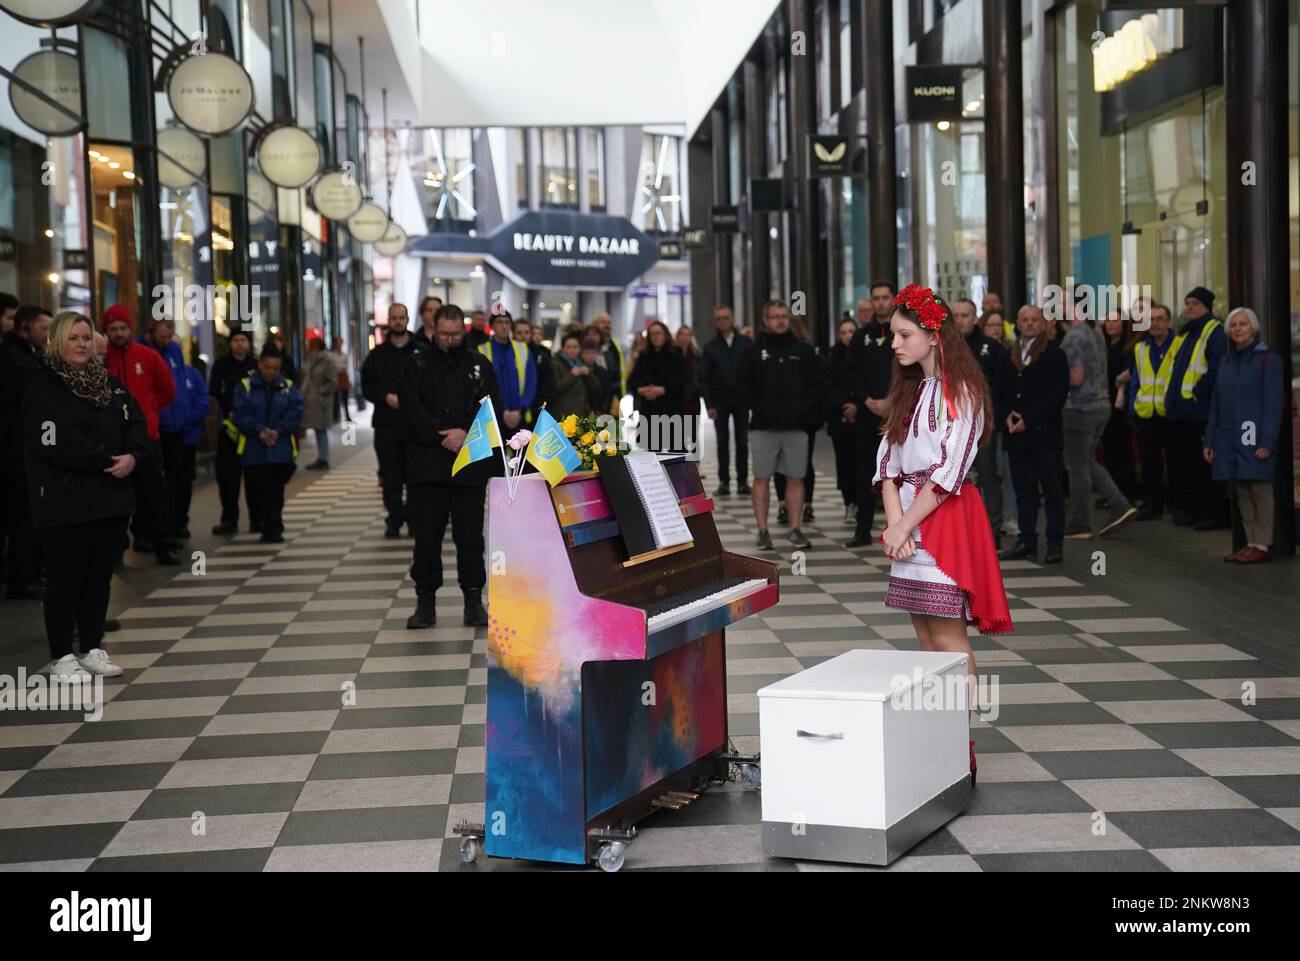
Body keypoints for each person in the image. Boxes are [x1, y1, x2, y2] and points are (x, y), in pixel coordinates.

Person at [873, 285, 1012, 782]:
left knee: (950, 639)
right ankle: (940, 736)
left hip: (944, 517)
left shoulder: (963, 391)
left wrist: (904, 525)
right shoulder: (911, 391)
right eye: (893, 335)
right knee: (926, 636)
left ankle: (960, 744)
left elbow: (950, 471)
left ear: (934, 336)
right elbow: (887, 462)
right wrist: (895, 525)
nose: (895, 344)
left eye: (904, 334)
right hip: (907, 520)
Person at [22, 311, 149, 682]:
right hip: (65, 500)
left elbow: (135, 424)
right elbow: (52, 440)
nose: (80, 345)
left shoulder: (110, 385)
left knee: (98, 577)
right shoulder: (40, 387)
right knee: (65, 579)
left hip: (110, 497)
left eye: (85, 337)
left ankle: (92, 647)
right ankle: (61, 655)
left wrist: (134, 456)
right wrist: (105, 459)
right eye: (73, 338)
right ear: (57, 343)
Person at [398, 304, 499, 630]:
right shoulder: (415, 364)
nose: (450, 340)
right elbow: (410, 409)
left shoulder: (480, 366)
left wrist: (464, 433)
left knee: (470, 538)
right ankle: (425, 603)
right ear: (433, 329)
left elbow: (490, 409)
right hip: (426, 467)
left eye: (456, 334)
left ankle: (473, 600)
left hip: (468, 466)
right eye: (444, 334)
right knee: (426, 538)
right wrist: (440, 435)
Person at [742, 300, 824, 551]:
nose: (780, 321)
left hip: (796, 427)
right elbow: (743, 385)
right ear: (765, 320)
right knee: (761, 478)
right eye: (774, 317)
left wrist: (803, 409)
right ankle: (763, 531)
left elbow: (817, 383)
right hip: (763, 427)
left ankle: (795, 529)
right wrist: (758, 406)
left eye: (784, 316)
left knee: (796, 478)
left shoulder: (803, 350)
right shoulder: (753, 352)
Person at [101, 304, 180, 565]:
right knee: (115, 498)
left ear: (130, 328)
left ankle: (164, 545)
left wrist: (148, 410)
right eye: (113, 329)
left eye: (122, 328)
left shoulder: (147, 357)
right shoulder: (102, 359)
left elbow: (167, 389)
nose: (119, 333)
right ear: (106, 332)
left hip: (146, 437)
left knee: (154, 494)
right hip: (113, 440)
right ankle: (115, 551)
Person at [1204, 307, 1284, 564]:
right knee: (1241, 490)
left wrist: (1267, 441)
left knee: (1260, 489)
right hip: (1229, 437)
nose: (1238, 329)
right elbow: (1215, 404)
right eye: (1234, 325)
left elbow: (1273, 405)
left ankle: (1262, 544)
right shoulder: (1226, 362)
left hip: (1253, 435)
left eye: (1243, 324)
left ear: (1253, 328)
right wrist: (1210, 440)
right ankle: (1250, 542)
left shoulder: (1268, 360)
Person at [993, 304, 1069, 563]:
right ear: (1017, 323)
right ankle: (1027, 540)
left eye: (1034, 319)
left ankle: (1055, 542)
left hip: (1045, 434)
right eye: (1024, 319)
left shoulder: (1055, 354)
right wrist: (1007, 417)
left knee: (1052, 491)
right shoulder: (1007, 356)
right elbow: (997, 393)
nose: (1029, 324)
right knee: (1024, 492)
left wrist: (1030, 419)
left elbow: (1057, 395)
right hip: (1016, 436)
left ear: (1044, 323)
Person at [1060, 294, 1137, 538]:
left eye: (1061, 302)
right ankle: (1120, 504)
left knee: (1076, 465)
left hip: (1079, 407)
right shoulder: (1095, 332)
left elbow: (1076, 378)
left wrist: (1050, 380)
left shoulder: (1074, 336)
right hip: (1100, 404)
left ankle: (1080, 522)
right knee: (1088, 461)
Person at [1166, 286, 1228, 529]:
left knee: (1203, 466)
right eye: (1187, 303)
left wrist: (1196, 393)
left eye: (1194, 303)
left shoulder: (1214, 330)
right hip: (1183, 412)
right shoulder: (1187, 332)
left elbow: (1215, 367)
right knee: (1188, 465)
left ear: (1206, 307)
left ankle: (1209, 512)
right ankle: (1194, 509)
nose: (1189, 307)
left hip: (1199, 411)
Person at [1, 304, 51, 598]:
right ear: (25, 327)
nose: (47, 334)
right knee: (21, 511)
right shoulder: (13, 358)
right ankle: (22, 574)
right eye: (43, 328)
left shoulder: (28, 355)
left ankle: (30, 569)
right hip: (15, 448)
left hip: (24, 445)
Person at [144, 318, 209, 541]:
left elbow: (200, 398)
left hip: (183, 431)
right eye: (162, 337)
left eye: (170, 338)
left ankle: (178, 522)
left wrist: (187, 419)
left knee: (180, 481)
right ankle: (159, 529)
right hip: (159, 429)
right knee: (160, 483)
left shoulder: (185, 367)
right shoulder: (146, 353)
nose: (168, 342)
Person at [232, 345, 303, 543]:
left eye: (275, 368)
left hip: (280, 447)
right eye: (267, 367)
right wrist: (259, 430)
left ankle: (273, 524)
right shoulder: (245, 387)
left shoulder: (288, 387)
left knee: (276, 489)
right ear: (260, 365)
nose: (271, 372)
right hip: (254, 448)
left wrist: (277, 430)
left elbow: (296, 411)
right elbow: (241, 413)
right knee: (261, 489)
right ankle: (271, 526)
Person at [361, 302, 418, 537]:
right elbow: (367, 386)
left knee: (415, 475)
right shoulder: (377, 355)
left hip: (415, 425)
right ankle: (394, 518)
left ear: (407, 319)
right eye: (394, 318)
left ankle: (415, 520)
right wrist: (385, 396)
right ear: (389, 321)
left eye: (401, 317)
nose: (397, 322)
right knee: (390, 475)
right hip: (386, 424)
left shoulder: (421, 351)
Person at [953, 297, 1005, 546]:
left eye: (965, 315)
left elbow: (1001, 386)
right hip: (951, 424)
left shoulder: (989, 347)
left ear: (975, 319)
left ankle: (993, 532)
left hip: (982, 423)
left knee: (988, 476)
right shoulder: (941, 347)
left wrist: (993, 417)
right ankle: (958, 532)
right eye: (956, 315)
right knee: (952, 476)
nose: (960, 320)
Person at [846, 285, 896, 547]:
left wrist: (891, 400)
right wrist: (867, 400)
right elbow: (851, 371)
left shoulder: (903, 332)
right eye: (876, 298)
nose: (880, 302)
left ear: (894, 299)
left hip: (897, 412)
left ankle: (900, 529)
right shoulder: (861, 336)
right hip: (867, 413)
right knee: (865, 470)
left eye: (885, 297)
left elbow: (908, 370)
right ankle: (862, 528)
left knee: (899, 471)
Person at [1127, 304, 1179, 521]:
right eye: (1151, 319)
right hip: (1147, 414)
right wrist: (1132, 409)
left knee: (1177, 462)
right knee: (1150, 463)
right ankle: (1153, 503)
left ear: (1168, 322)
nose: (1155, 323)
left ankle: (1177, 503)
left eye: (1160, 319)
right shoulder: (1140, 349)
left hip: (1172, 414)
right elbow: (1135, 381)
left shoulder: (1179, 345)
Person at [773, 312, 825, 526]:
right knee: (792, 463)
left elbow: (816, 384)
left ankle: (792, 504)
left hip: (803, 420)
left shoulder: (806, 352)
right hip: (783, 418)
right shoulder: (776, 351)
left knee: (795, 463)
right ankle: (793, 505)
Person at [698, 306, 755, 497]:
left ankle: (742, 481)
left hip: (741, 399)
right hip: (720, 400)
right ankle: (724, 481)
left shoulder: (746, 343)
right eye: (718, 319)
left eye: (725, 318)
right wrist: (709, 404)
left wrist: (751, 397)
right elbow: (704, 377)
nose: (722, 321)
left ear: (732, 319)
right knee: (722, 441)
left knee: (742, 441)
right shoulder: (711, 346)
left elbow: (753, 372)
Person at [209, 331, 259, 534]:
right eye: (236, 341)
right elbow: (214, 391)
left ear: (248, 344)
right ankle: (229, 519)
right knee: (228, 477)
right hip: (228, 428)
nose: (239, 344)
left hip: (251, 429)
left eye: (243, 340)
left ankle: (258, 519)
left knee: (254, 477)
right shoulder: (221, 365)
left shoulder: (255, 366)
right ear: (230, 344)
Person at [627, 320, 687, 452]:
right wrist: (640, 389)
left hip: (672, 409)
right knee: (651, 452)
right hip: (650, 411)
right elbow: (632, 380)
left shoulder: (676, 353)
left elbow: (681, 379)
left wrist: (662, 389)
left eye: (659, 333)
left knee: (676, 451)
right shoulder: (644, 356)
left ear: (665, 334)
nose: (656, 336)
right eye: (652, 334)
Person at [477, 309, 536, 441]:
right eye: (499, 322)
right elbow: (481, 387)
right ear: (492, 326)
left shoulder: (523, 349)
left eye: (507, 322)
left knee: (521, 459)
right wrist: (501, 411)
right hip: (493, 417)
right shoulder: (481, 350)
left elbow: (531, 383)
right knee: (497, 460)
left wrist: (520, 410)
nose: (504, 326)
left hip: (520, 415)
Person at [1101, 311, 1138, 501]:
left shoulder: (1126, 348)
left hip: (1119, 406)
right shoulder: (1105, 347)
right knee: (1109, 450)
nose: (1110, 324)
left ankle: (1125, 492)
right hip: (1104, 404)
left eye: (1115, 320)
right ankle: (1112, 492)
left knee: (1121, 450)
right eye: (1108, 320)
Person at [826, 316, 860, 522]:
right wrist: (844, 405)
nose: (848, 336)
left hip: (861, 415)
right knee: (844, 463)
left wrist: (856, 404)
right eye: (844, 332)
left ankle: (862, 502)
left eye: (851, 331)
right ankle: (848, 502)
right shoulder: (832, 357)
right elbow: (828, 385)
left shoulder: (861, 354)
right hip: (839, 417)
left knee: (861, 462)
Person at [300, 335, 338, 470]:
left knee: (321, 430)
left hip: (321, 403)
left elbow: (333, 382)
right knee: (318, 429)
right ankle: (322, 457)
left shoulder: (326, 362)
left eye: (310, 347)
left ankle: (323, 458)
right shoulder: (312, 362)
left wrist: (320, 392)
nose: (308, 350)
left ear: (315, 348)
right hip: (313, 402)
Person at [548, 331, 601, 420]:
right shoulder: (555, 364)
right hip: (561, 416)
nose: (573, 350)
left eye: (575, 347)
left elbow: (596, 388)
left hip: (579, 416)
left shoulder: (581, 363)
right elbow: (554, 389)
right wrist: (572, 375)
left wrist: (588, 374)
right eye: (569, 347)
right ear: (562, 349)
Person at [513, 315, 552, 426]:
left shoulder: (541, 356)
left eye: (526, 332)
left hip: (536, 411)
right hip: (513, 411)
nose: (523, 336)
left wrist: (537, 407)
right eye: (519, 333)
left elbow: (547, 385)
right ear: (513, 334)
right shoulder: (508, 355)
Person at [676, 325, 702, 459]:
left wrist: (697, 389)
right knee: (678, 431)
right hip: (678, 399)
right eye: (682, 334)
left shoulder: (696, 354)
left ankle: (695, 462)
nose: (685, 337)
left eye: (688, 334)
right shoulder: (674, 354)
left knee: (693, 431)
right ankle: (680, 460)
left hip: (693, 399)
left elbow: (701, 375)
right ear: (677, 337)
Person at [591, 311, 626, 395]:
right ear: (595, 325)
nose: (607, 325)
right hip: (595, 394)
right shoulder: (589, 345)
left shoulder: (615, 344)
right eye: (603, 322)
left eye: (609, 322)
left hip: (614, 394)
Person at [581, 338, 615, 415]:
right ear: (581, 354)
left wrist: (604, 409)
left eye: (593, 353)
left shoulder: (602, 371)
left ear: (597, 353)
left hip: (600, 412)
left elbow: (608, 393)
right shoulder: (579, 372)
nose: (590, 356)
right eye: (587, 353)